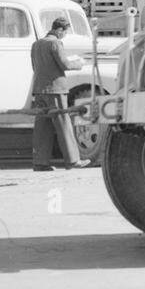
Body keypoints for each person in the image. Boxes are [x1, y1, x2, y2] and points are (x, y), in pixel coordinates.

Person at [30, 15, 90, 172]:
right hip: (55, 90)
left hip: (39, 90)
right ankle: (73, 161)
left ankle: (40, 162)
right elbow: (65, 65)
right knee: (64, 124)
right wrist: (79, 64)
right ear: (58, 30)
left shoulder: (36, 44)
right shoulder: (55, 43)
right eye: (65, 32)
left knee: (42, 127)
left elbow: (34, 67)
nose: (65, 35)